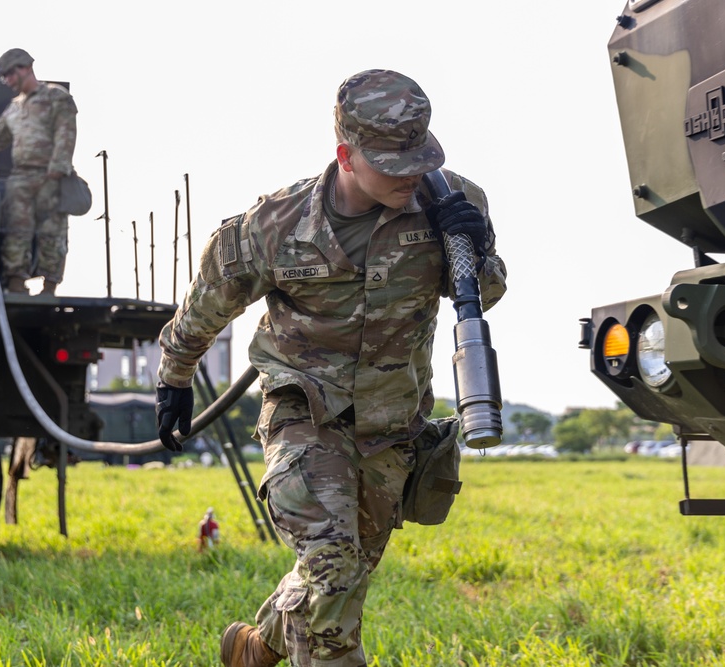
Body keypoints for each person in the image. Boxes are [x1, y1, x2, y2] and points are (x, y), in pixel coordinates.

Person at [155, 69, 507, 666]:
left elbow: (485, 292)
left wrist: (472, 249)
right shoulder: (276, 225)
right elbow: (207, 302)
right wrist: (174, 377)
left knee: (342, 572)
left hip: (394, 420)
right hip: (305, 412)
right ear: (346, 154)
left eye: (420, 157)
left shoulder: (453, 201)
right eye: (393, 163)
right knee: (334, 570)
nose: (411, 174)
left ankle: (256, 648)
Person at [0, 48, 77, 295]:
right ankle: (16, 282)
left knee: (52, 231)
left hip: (50, 176)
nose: (7, 81)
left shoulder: (56, 96)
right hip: (20, 178)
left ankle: (49, 286)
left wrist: (56, 170)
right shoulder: (14, 108)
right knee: (16, 229)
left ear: (24, 68)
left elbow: (66, 133)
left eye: (9, 75)